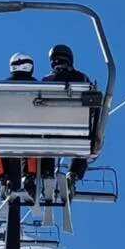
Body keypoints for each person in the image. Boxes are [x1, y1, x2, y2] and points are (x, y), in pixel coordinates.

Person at [39, 44, 92, 198]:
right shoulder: (82, 79)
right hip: (77, 129)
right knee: (86, 142)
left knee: (44, 138)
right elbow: (93, 104)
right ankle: (73, 175)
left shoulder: (47, 80)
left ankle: (47, 173)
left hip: (51, 129)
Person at [0, 52, 38, 199]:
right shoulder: (39, 86)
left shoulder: (2, 87)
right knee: (34, 138)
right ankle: (29, 175)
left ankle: (2, 176)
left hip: (5, 132)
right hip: (29, 130)